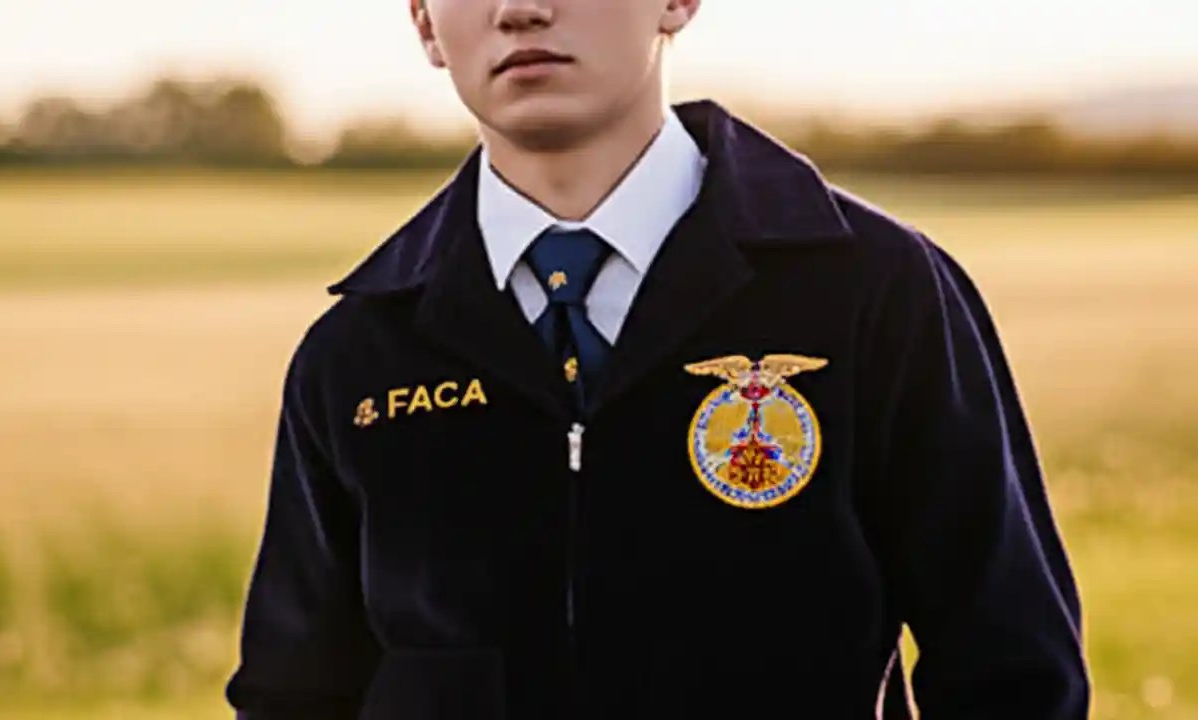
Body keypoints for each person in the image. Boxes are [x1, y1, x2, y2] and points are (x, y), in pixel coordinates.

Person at [225, 0, 1090, 717]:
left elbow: (1013, 670)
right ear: (423, 22)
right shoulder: (357, 352)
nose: (520, 9)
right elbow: (292, 695)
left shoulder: (875, 290)